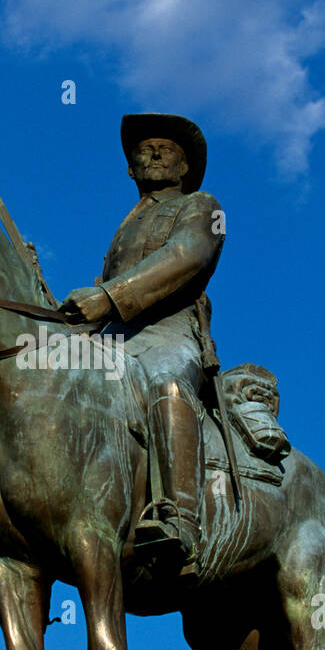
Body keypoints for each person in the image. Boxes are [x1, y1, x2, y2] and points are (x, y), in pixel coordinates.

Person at [60, 113, 224, 578]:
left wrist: (110, 296)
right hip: (112, 338)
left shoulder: (202, 206)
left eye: (165, 149)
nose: (152, 153)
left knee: (167, 383)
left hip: (168, 332)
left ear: (185, 168)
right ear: (130, 169)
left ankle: (181, 518)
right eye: (144, 149)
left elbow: (186, 256)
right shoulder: (124, 226)